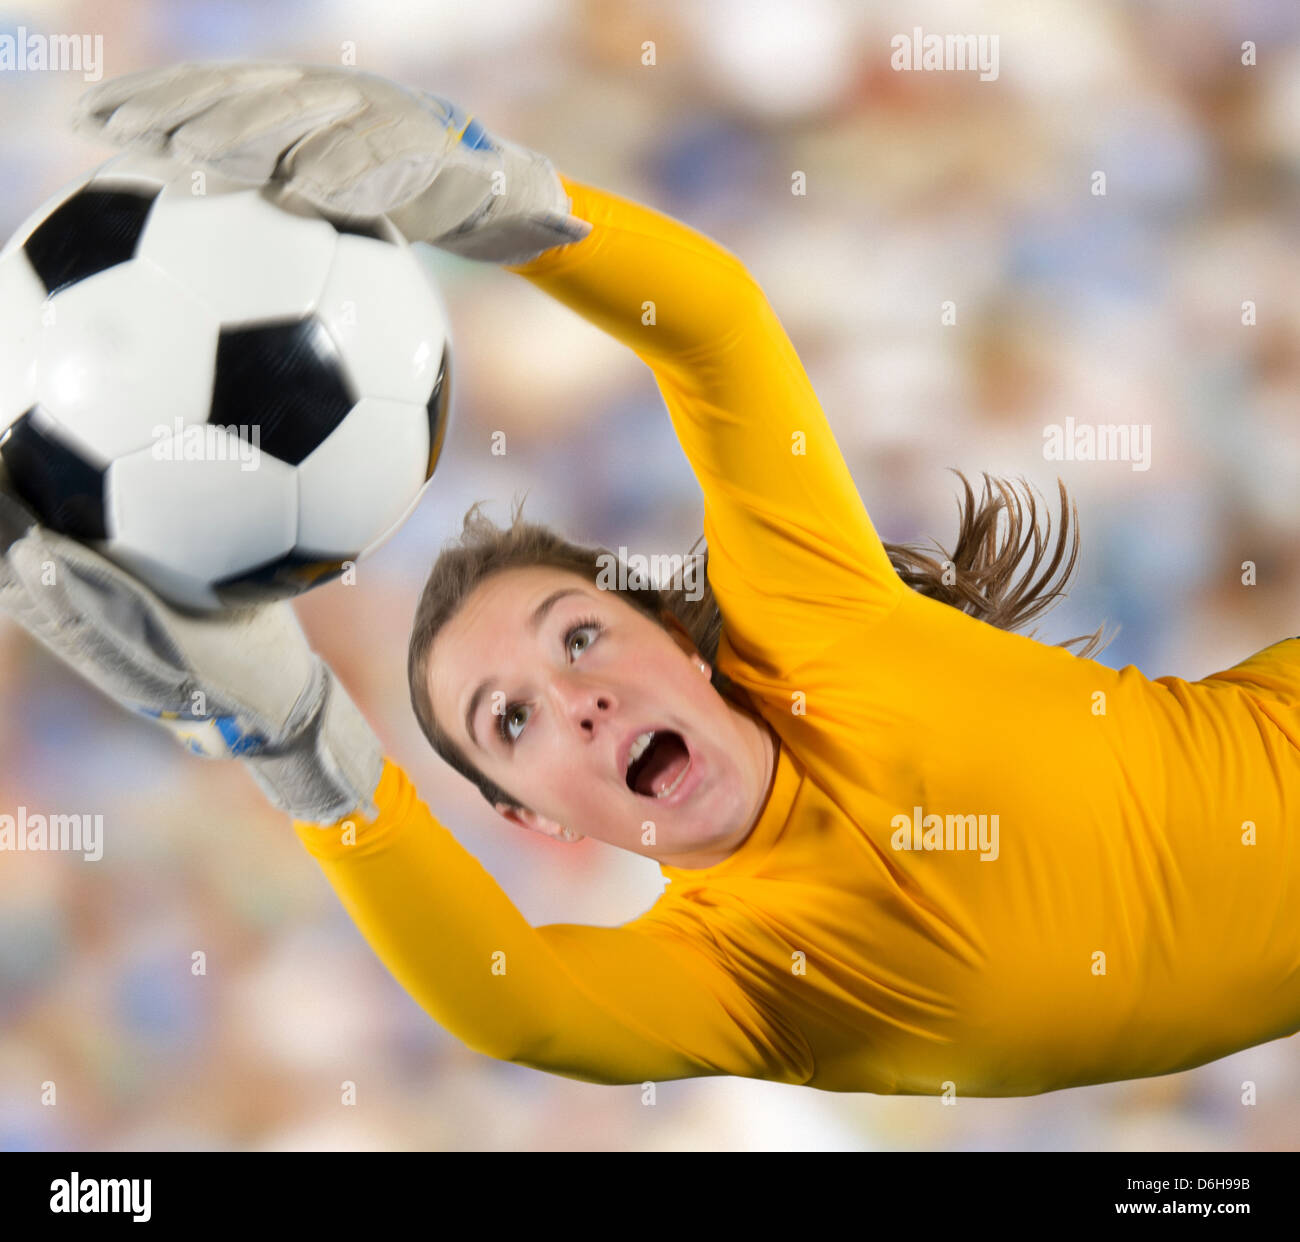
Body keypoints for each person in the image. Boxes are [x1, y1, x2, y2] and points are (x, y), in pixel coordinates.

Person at [5, 61, 1299, 1096]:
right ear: (544, 823)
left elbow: (718, 330)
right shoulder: (735, 978)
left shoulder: (817, 620)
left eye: (578, 637)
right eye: (507, 721)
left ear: (688, 645)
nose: (572, 699)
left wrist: (486, 190)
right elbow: (513, 997)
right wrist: (296, 742)